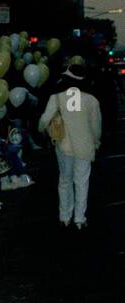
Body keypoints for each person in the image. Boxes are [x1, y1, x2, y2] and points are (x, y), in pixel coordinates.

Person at [38, 64, 102, 229]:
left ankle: (64, 216)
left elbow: (45, 119)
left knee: (65, 180)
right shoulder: (91, 100)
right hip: (85, 146)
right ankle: (79, 219)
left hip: (63, 145)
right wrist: (96, 142)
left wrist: (42, 130)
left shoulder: (57, 97)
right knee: (81, 182)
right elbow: (96, 127)